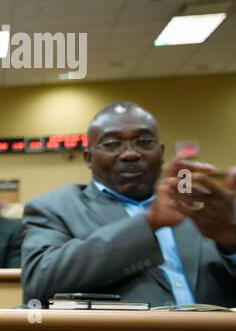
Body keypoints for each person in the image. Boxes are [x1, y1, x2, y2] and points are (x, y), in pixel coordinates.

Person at [22, 102, 236, 307]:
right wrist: (150, 223)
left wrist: (231, 238)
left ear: (161, 152)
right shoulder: (55, 208)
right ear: (88, 158)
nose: (130, 154)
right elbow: (39, 283)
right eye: (112, 144)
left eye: (144, 142)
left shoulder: (201, 204)